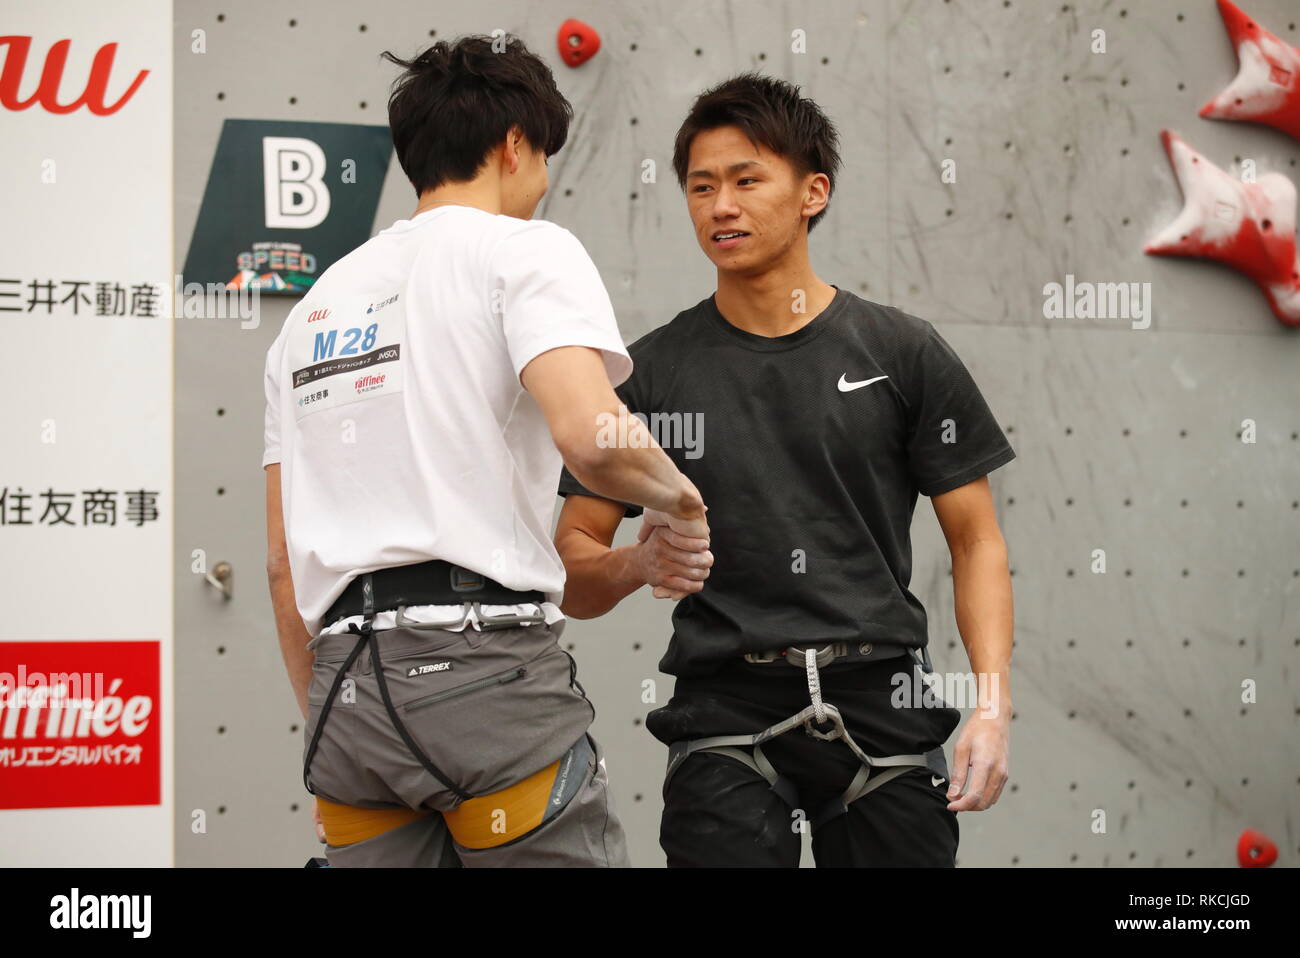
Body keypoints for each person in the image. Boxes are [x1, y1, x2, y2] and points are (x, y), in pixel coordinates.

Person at [262, 35, 705, 867]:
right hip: (482, 679)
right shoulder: (521, 249)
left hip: (346, 704)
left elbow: (283, 565)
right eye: (542, 159)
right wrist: (681, 500)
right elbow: (592, 433)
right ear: (513, 145)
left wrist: (324, 732)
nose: (542, 185)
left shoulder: (310, 313)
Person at [555, 73, 1016, 867]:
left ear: (813, 192)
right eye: (701, 187)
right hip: (726, 706)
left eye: (745, 180)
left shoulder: (901, 352)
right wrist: (639, 561)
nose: (720, 206)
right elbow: (571, 568)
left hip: (883, 696)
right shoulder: (652, 374)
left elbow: (976, 543)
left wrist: (991, 707)